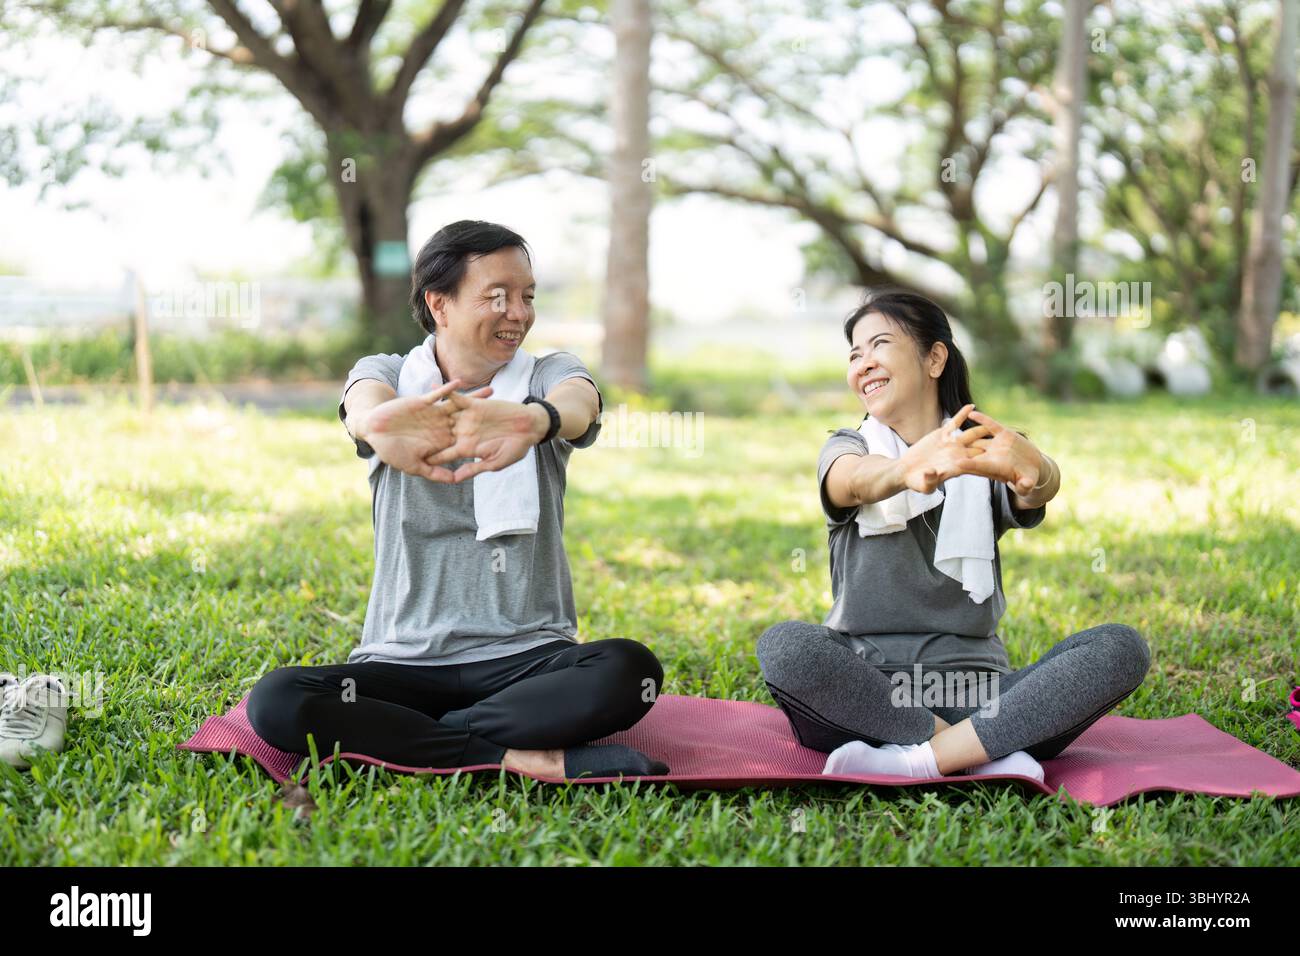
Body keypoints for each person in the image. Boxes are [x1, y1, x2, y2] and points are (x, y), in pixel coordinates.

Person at [246, 220, 668, 780]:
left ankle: (420, 743)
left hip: (528, 659)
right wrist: (379, 424)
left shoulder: (544, 377)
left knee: (628, 669)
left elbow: (580, 402)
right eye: (497, 296)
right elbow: (363, 406)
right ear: (438, 304)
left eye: (527, 296)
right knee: (277, 699)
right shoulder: (390, 376)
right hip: (403, 663)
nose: (518, 313)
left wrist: (532, 419)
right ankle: (508, 755)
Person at [756, 289, 1150, 781]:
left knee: (1119, 647)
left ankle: (923, 759)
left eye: (879, 345)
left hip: (984, 698)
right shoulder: (849, 446)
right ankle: (981, 752)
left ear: (935, 357)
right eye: (855, 354)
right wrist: (904, 470)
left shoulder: (982, 454)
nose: (863, 363)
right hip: (868, 698)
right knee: (786, 646)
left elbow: (1034, 488)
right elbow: (853, 481)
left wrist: (1042, 471)